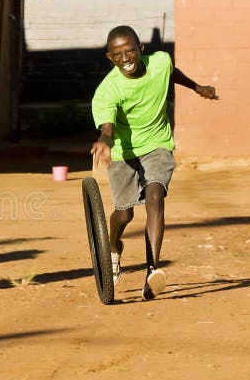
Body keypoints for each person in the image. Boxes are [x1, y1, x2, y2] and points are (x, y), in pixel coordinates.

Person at [90, 25, 218, 300]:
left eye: (130, 50)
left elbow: (171, 73)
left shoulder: (160, 61)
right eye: (118, 54)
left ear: (141, 49)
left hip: (158, 145)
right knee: (124, 213)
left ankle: (153, 271)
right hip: (124, 153)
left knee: (155, 194)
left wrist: (197, 87)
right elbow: (108, 128)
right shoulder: (108, 90)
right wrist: (104, 142)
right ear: (109, 57)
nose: (126, 58)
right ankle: (114, 247)